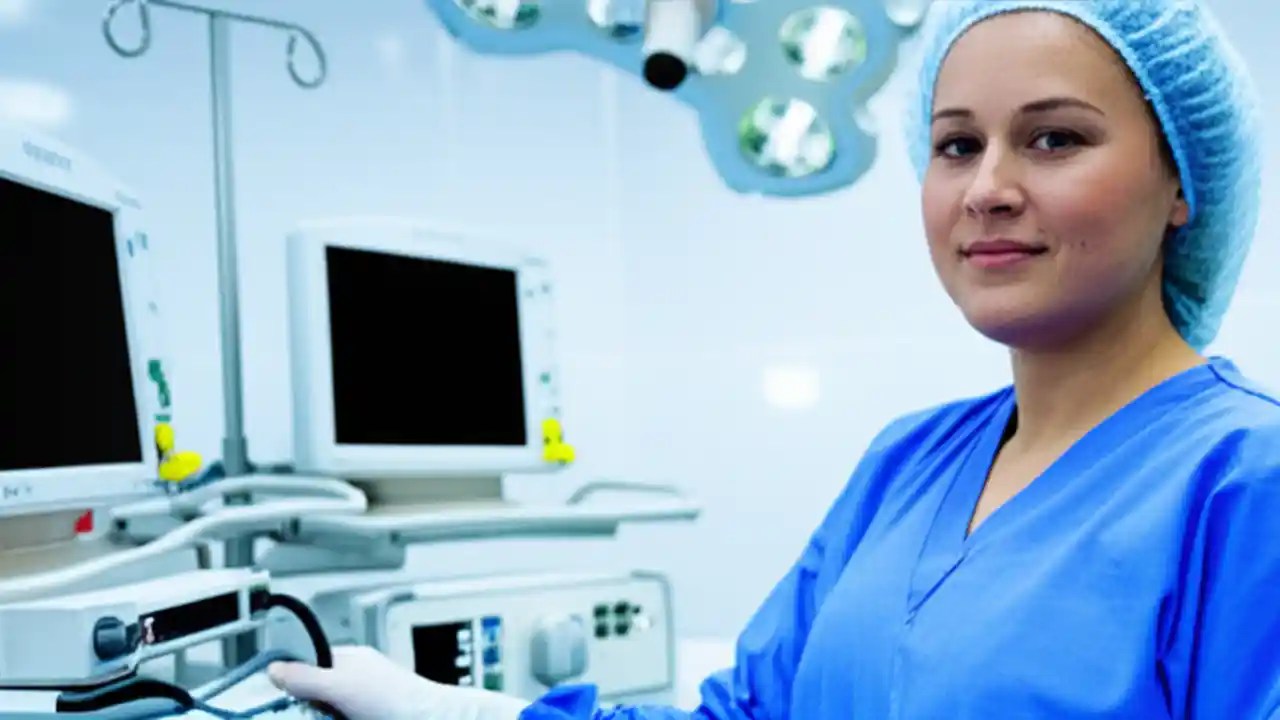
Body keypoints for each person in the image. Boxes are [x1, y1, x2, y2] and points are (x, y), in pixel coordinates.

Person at [269, 0, 1280, 717]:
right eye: (955, 145)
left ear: (1179, 181)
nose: (985, 189)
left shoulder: (1244, 483)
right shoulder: (908, 463)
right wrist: (457, 715)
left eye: (1053, 140)